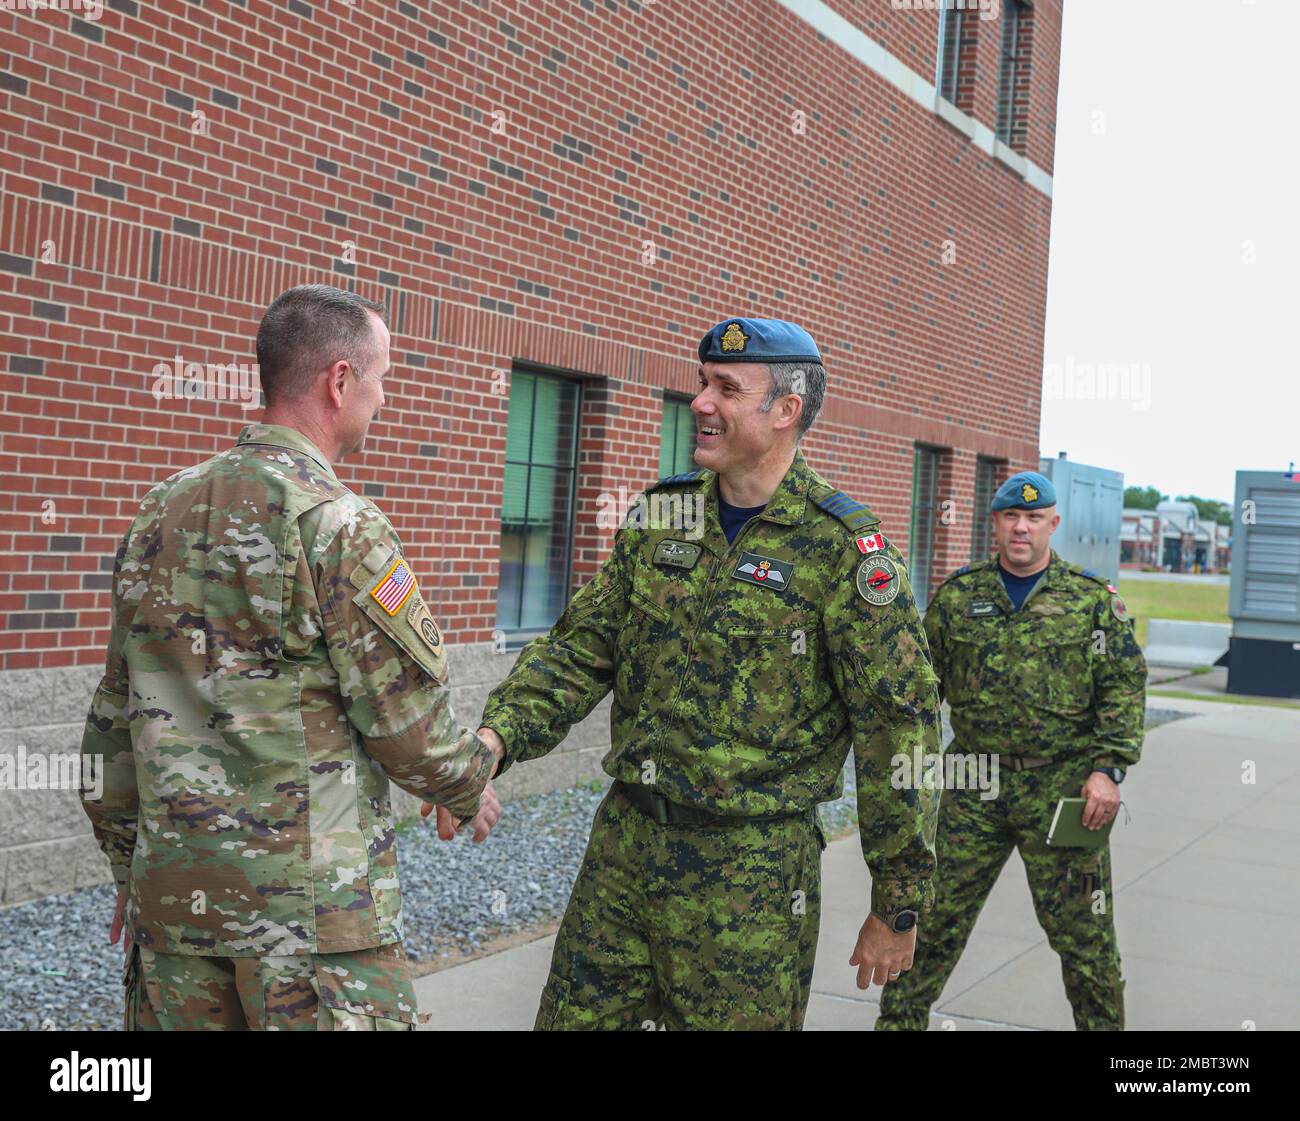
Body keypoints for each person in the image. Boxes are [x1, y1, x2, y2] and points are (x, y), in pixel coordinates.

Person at [457, 316, 942, 1029]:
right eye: (701, 382)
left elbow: (899, 730)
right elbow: (579, 647)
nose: (701, 402)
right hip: (625, 850)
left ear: (785, 410)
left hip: (750, 878)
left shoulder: (846, 550)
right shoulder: (665, 514)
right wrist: (492, 742)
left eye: (726, 389)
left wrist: (897, 898)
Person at [79, 284, 503, 1031]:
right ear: (340, 381)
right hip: (310, 929)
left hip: (176, 914)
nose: (383, 401)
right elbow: (404, 722)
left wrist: (134, 867)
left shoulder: (158, 510)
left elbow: (113, 720)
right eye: (382, 381)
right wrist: (468, 784)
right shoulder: (340, 525)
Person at [876, 470, 1146, 1031]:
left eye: (1033, 517)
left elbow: (1122, 685)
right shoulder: (958, 596)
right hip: (974, 782)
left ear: (1053, 523)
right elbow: (926, 691)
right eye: (1010, 517)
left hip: (1065, 789)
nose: (1021, 527)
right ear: (995, 524)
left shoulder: (1093, 601)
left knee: (1085, 940)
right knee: (929, 923)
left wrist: (1108, 769)